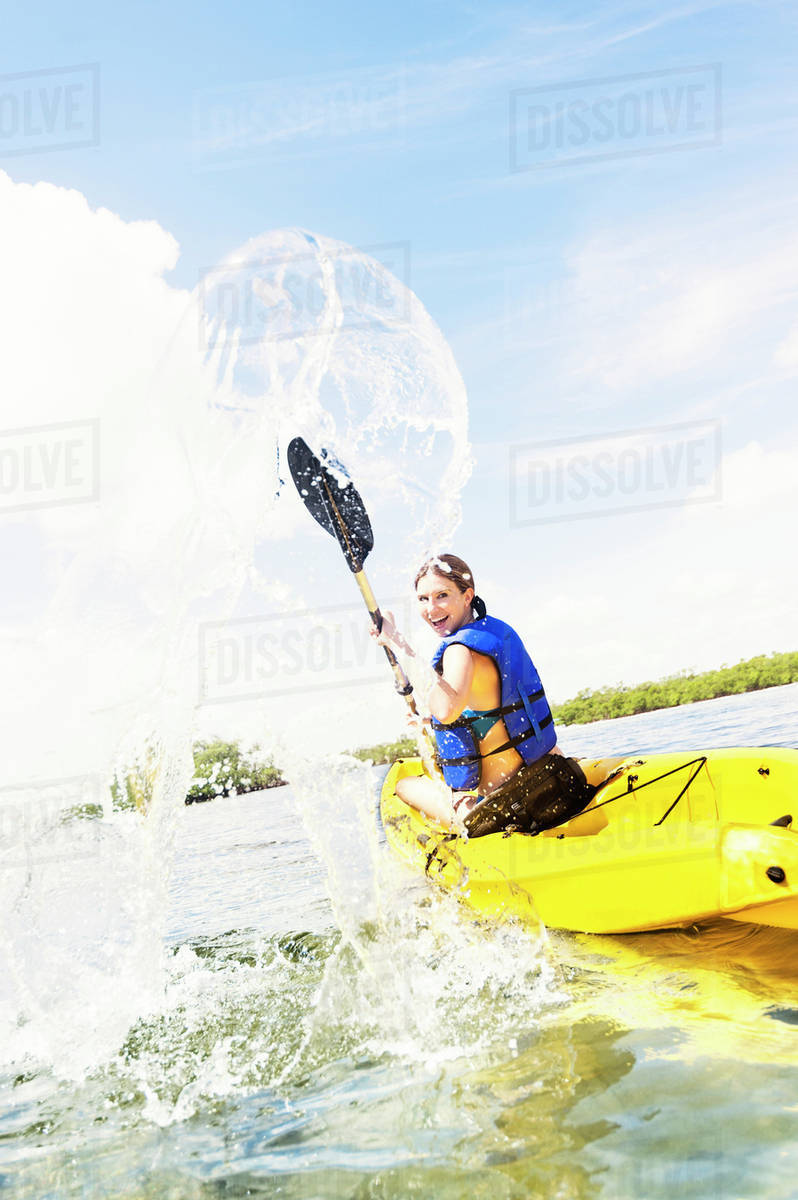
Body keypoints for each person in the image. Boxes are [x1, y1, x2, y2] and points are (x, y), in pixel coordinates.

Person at [372, 553, 593, 837]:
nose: (431, 608)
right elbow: (491, 709)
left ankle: (459, 820)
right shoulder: (497, 633)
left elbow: (446, 710)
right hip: (556, 777)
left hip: (507, 807)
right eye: (423, 599)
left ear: (467, 596)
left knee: (403, 786)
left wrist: (396, 641)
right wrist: (428, 721)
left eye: (442, 595)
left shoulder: (459, 650)